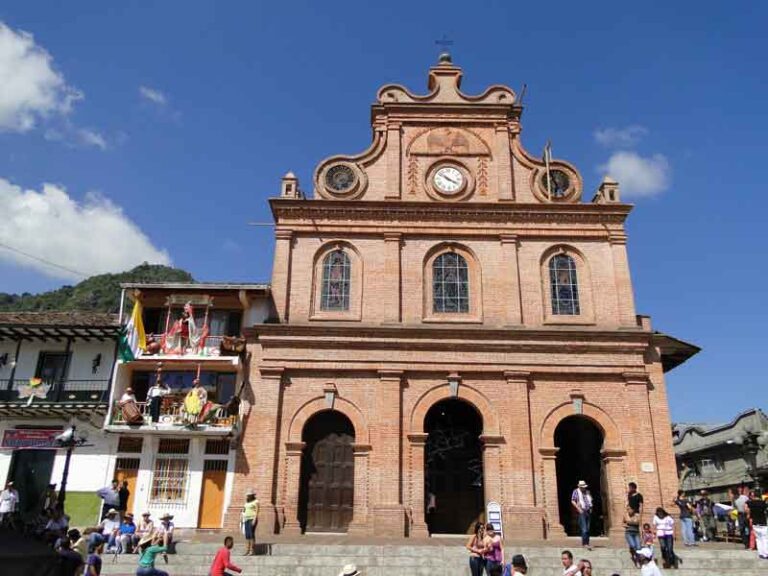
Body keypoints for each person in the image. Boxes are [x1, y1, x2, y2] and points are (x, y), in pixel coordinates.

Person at [745, 489, 767, 559]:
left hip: (754, 523)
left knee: (758, 539)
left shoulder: (750, 503)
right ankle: (766, 554)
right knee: (765, 539)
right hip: (763, 523)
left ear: (754, 495)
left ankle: (760, 553)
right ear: (760, 495)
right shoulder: (763, 503)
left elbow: (746, 509)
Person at [571, 480, 594, 550]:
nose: (583, 488)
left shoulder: (587, 492)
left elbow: (590, 500)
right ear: (579, 487)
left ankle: (587, 543)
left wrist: (591, 508)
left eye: (584, 487)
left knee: (588, 528)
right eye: (582, 487)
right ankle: (585, 544)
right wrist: (578, 508)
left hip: (588, 511)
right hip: (581, 511)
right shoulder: (576, 491)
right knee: (584, 528)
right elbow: (572, 500)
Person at [242, 490, 259, 555]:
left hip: (252, 518)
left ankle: (252, 550)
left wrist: (255, 519)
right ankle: (247, 550)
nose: (248, 496)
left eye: (249, 495)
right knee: (247, 535)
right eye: (247, 495)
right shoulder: (247, 502)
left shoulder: (256, 502)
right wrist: (242, 516)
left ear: (252, 495)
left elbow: (257, 511)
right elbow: (244, 509)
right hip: (246, 519)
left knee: (251, 534)